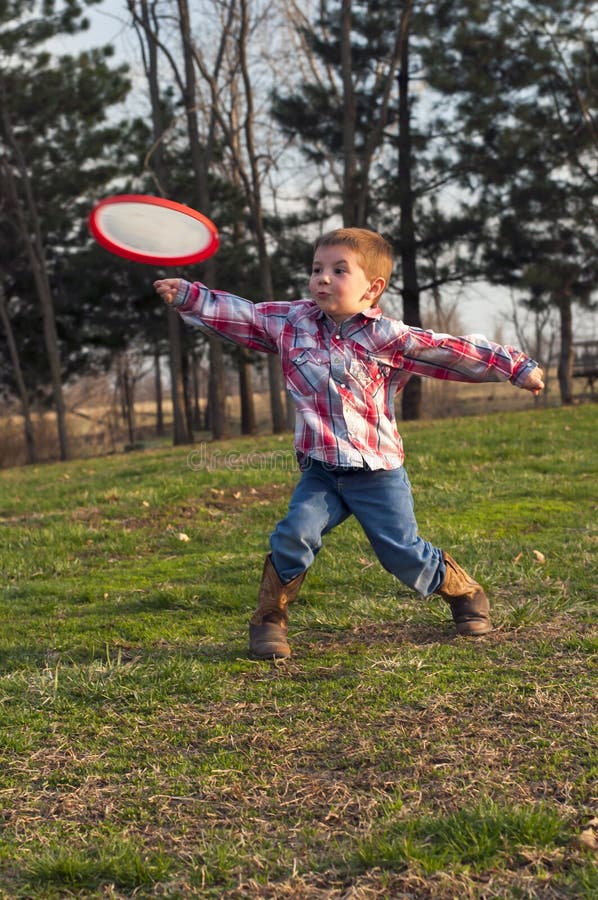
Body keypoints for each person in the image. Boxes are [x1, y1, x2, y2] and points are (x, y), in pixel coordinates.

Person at [154, 228, 544, 660]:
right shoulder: (291, 323)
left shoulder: (387, 337)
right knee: (293, 534)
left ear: (372, 288)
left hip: (378, 473)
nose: (323, 278)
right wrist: (190, 296)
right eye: (317, 268)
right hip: (322, 470)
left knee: (403, 555)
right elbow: (242, 315)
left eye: (339, 270)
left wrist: (514, 366)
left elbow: (448, 351)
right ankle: (270, 617)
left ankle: (463, 591)